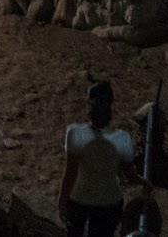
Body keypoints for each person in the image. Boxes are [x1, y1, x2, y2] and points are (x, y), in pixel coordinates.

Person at [59, 80, 144, 236]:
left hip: (79, 199)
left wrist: (62, 200)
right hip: (109, 202)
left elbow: (70, 174)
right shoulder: (123, 138)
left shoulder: (75, 133)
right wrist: (144, 182)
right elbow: (130, 176)